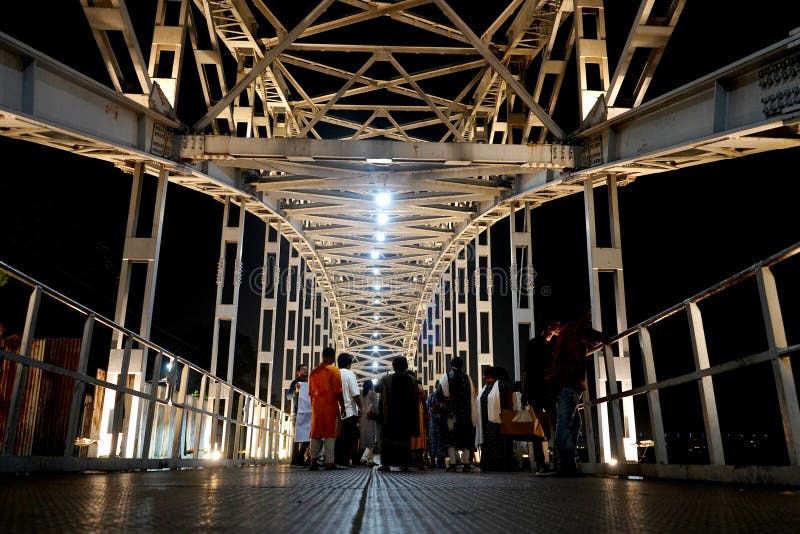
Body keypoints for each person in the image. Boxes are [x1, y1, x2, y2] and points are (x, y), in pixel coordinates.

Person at [546, 307, 606, 476]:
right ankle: (563, 464)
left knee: (572, 422)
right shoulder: (574, 328)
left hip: (564, 382)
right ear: (580, 316)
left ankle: (566, 461)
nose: (590, 317)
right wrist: (603, 338)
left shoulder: (567, 330)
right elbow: (588, 335)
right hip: (569, 381)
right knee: (565, 423)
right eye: (587, 314)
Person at [522, 321, 560, 472]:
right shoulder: (547, 346)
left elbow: (527, 369)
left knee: (537, 426)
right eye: (557, 324)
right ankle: (555, 459)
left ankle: (541, 462)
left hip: (536, 390)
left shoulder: (534, 343)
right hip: (544, 389)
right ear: (549, 327)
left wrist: (525, 392)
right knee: (556, 423)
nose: (559, 327)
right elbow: (529, 368)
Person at [375, 356, 420, 471]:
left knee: (387, 440)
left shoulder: (387, 379)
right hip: (406, 416)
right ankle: (404, 464)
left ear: (393, 366)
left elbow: (376, 388)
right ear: (406, 366)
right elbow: (416, 398)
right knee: (404, 441)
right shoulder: (412, 380)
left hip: (390, 416)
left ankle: (386, 465)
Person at [435, 356, 477, 472]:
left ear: (451, 364)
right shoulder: (467, 378)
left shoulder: (446, 376)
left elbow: (439, 394)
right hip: (466, 414)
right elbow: (473, 394)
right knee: (466, 439)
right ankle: (466, 463)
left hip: (451, 415)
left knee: (450, 439)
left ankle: (453, 464)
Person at [308, 346, 346, 470]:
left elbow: (311, 393)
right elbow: (338, 391)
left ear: (323, 356)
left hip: (317, 407)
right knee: (330, 434)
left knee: (315, 434)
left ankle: (313, 460)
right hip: (330, 407)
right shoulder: (334, 371)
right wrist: (343, 406)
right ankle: (329, 461)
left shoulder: (313, 372)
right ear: (333, 357)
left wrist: (313, 406)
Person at [475, 366, 519, 471]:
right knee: (487, 445)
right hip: (485, 424)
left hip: (495, 423)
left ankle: (497, 466)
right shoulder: (486, 387)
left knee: (496, 445)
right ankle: (488, 465)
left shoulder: (499, 384)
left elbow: (515, 386)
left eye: (486, 376)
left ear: (491, 376)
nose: (484, 378)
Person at [334, 352, 361, 467]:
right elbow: (355, 394)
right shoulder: (350, 374)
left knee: (338, 439)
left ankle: (337, 460)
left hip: (335, 412)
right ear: (349, 364)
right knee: (350, 439)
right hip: (349, 412)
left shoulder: (334, 373)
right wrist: (361, 408)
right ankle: (345, 461)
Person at [289, 364, 311, 466]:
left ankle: (301, 457)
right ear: (298, 372)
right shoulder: (295, 382)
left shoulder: (310, 383)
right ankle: (295, 460)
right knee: (297, 437)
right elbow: (288, 396)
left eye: (307, 369)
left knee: (306, 437)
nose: (306, 371)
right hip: (297, 412)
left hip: (308, 413)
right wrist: (296, 392)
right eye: (303, 369)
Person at [359, 379, 378, 466]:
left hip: (362, 418)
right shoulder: (372, 393)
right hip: (370, 417)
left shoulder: (361, 394)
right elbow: (375, 406)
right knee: (371, 438)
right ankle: (364, 458)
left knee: (365, 438)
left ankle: (370, 460)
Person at [426, 389, 446, 468]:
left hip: (433, 422)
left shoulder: (431, 396)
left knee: (433, 442)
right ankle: (441, 462)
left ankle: (433, 462)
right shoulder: (443, 396)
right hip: (441, 421)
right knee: (441, 442)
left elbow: (427, 406)